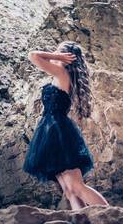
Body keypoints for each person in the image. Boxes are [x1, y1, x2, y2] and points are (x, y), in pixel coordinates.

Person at [23, 41, 109, 209]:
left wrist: (56, 57)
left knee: (76, 186)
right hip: (50, 132)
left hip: (58, 131)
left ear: (66, 57)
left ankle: (113, 215)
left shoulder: (61, 72)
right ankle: (84, 223)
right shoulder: (59, 75)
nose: (54, 53)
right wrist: (58, 55)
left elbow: (32, 55)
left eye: (58, 51)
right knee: (69, 191)